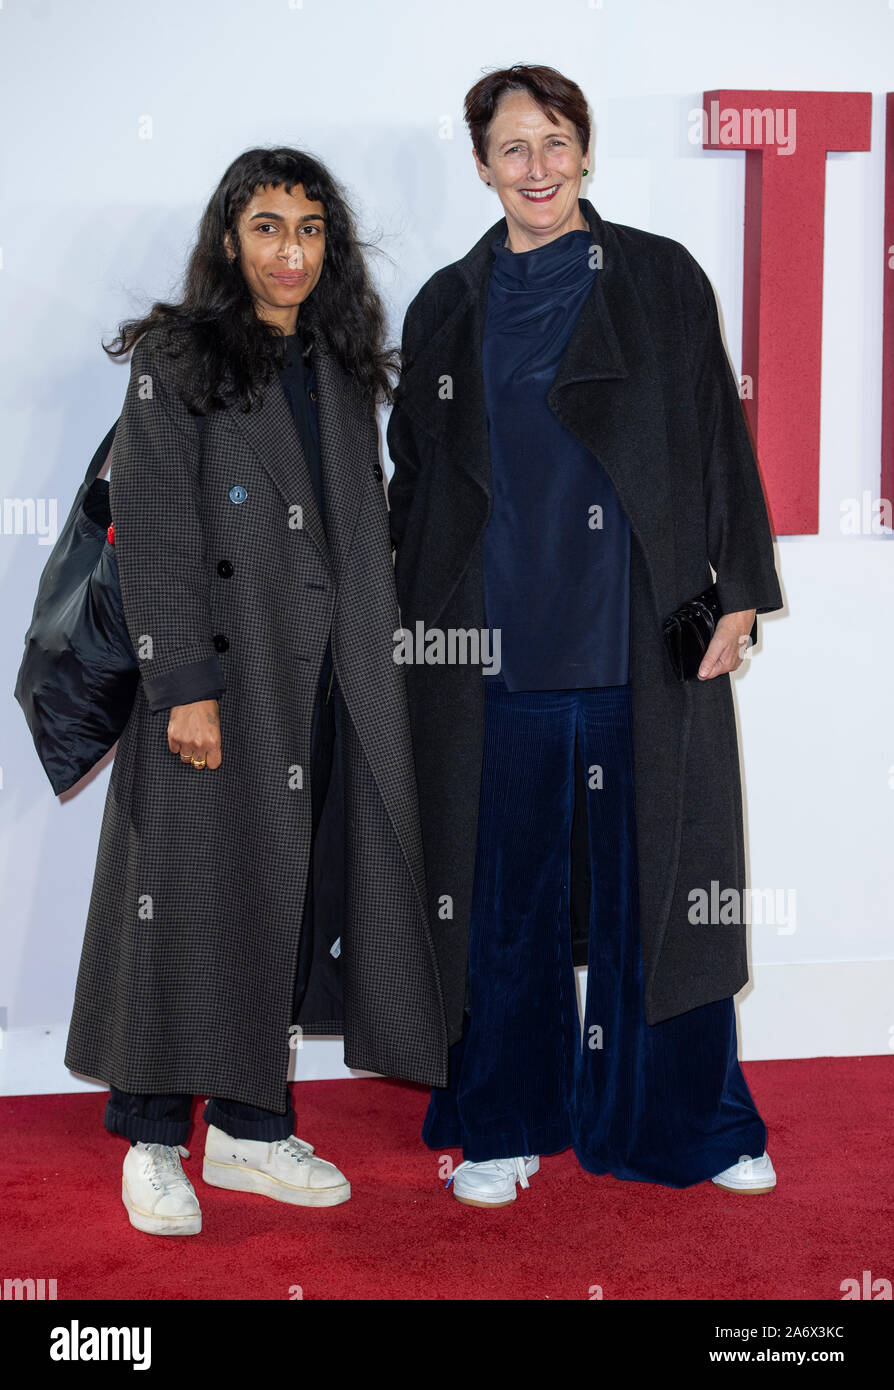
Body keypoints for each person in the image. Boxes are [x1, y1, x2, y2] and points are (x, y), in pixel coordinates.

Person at [386, 66, 784, 1208]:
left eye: (556, 142)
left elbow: (719, 441)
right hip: (493, 664)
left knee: (661, 897)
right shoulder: (444, 308)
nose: (538, 168)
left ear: (586, 150)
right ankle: (507, 1122)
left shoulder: (658, 278)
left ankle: (695, 1125)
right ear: (481, 166)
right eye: (513, 148)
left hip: (642, 650)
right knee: (501, 906)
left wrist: (740, 589)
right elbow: (416, 487)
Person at [65, 147, 447, 1236]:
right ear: (230, 238)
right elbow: (158, 529)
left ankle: (244, 1126)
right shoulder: (176, 356)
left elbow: (352, 534)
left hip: (320, 677)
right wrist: (184, 684)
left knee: (279, 906)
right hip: (217, 681)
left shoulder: (333, 360)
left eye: (311, 228)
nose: (291, 250)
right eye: (269, 226)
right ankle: (148, 1141)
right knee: (180, 908)